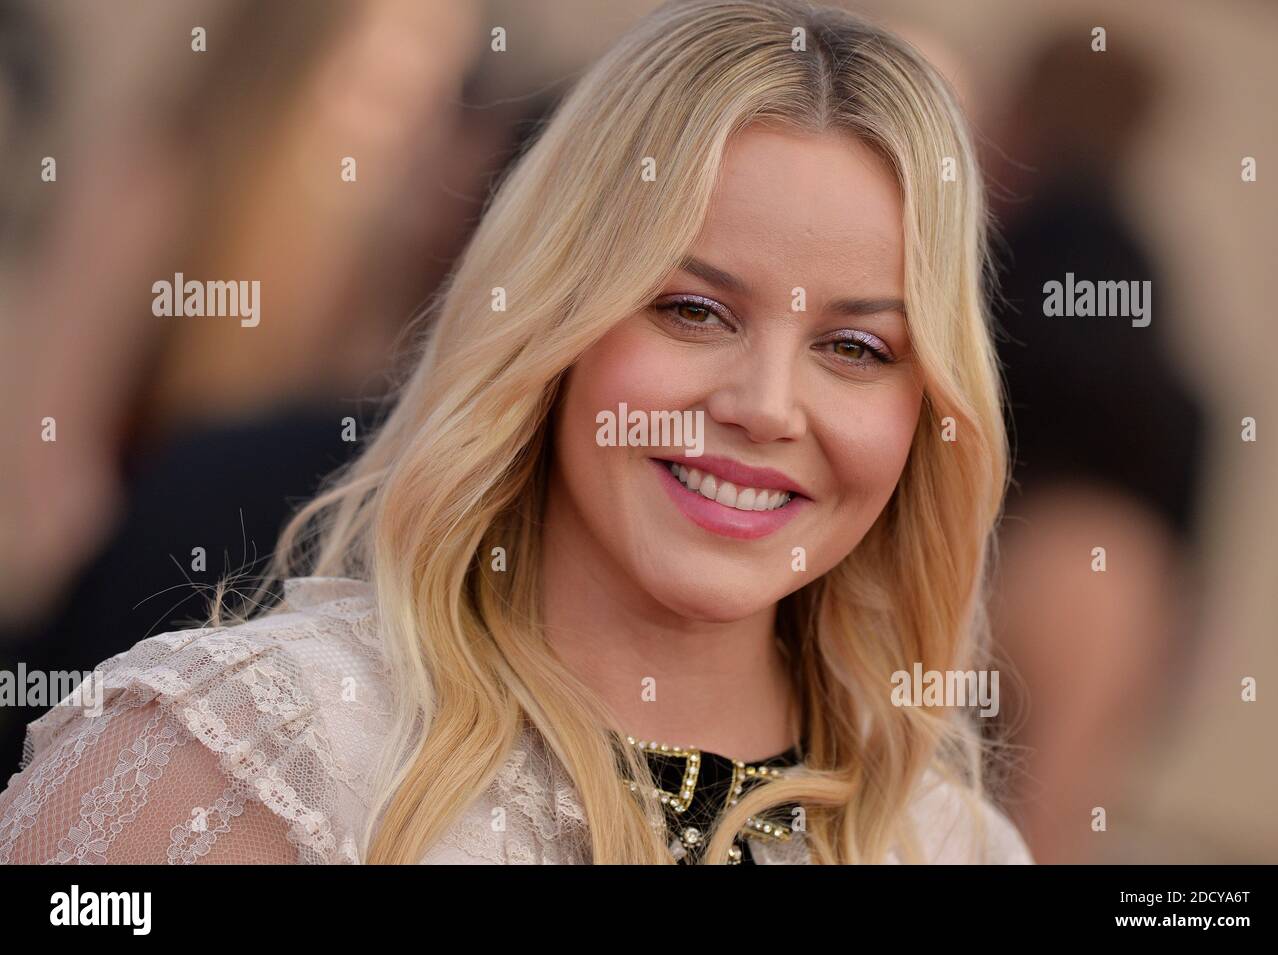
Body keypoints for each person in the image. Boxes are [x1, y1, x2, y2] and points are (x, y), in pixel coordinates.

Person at [0, 0, 1031, 865]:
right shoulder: (235, 756)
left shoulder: (955, 848)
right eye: (692, 309)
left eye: (854, 346)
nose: (765, 404)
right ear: (554, 320)